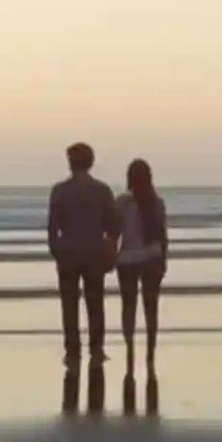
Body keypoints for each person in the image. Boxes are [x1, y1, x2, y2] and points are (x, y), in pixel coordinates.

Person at [47, 142, 119, 363]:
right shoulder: (102, 190)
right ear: (91, 162)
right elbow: (113, 226)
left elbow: (52, 227)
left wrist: (56, 249)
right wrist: (110, 249)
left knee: (69, 304)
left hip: (69, 252)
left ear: (70, 163)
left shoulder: (60, 190)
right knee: (95, 303)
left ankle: (72, 350)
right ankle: (96, 348)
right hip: (93, 253)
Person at [115, 159, 168, 380]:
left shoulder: (122, 202)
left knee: (129, 306)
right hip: (152, 258)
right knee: (151, 307)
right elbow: (163, 235)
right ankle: (150, 351)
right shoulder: (156, 202)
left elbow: (114, 231)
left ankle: (129, 348)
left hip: (127, 258)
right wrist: (164, 259)